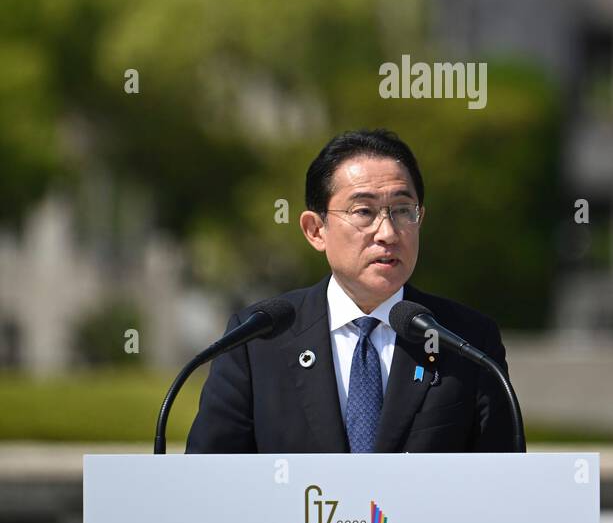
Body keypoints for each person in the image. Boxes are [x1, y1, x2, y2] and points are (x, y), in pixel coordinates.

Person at [185, 128, 521, 453]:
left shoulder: (467, 340)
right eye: (364, 211)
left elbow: (503, 488)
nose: (387, 232)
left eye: (403, 211)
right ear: (316, 230)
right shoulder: (257, 339)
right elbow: (209, 484)